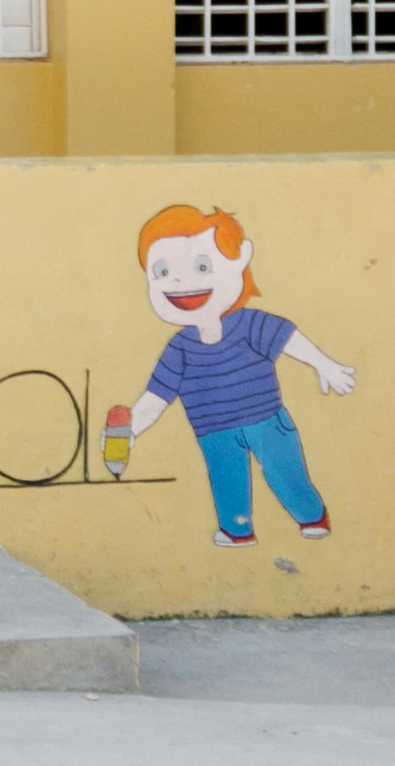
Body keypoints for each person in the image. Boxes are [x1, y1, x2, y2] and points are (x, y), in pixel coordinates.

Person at [125, 203, 353, 547]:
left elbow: (287, 338)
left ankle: (311, 515)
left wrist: (324, 364)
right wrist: (131, 428)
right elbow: (157, 396)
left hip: (266, 418)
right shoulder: (180, 348)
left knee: (284, 471)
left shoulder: (248, 324)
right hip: (214, 429)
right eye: (162, 271)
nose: (179, 281)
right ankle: (237, 530)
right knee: (226, 479)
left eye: (202, 266)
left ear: (241, 258)